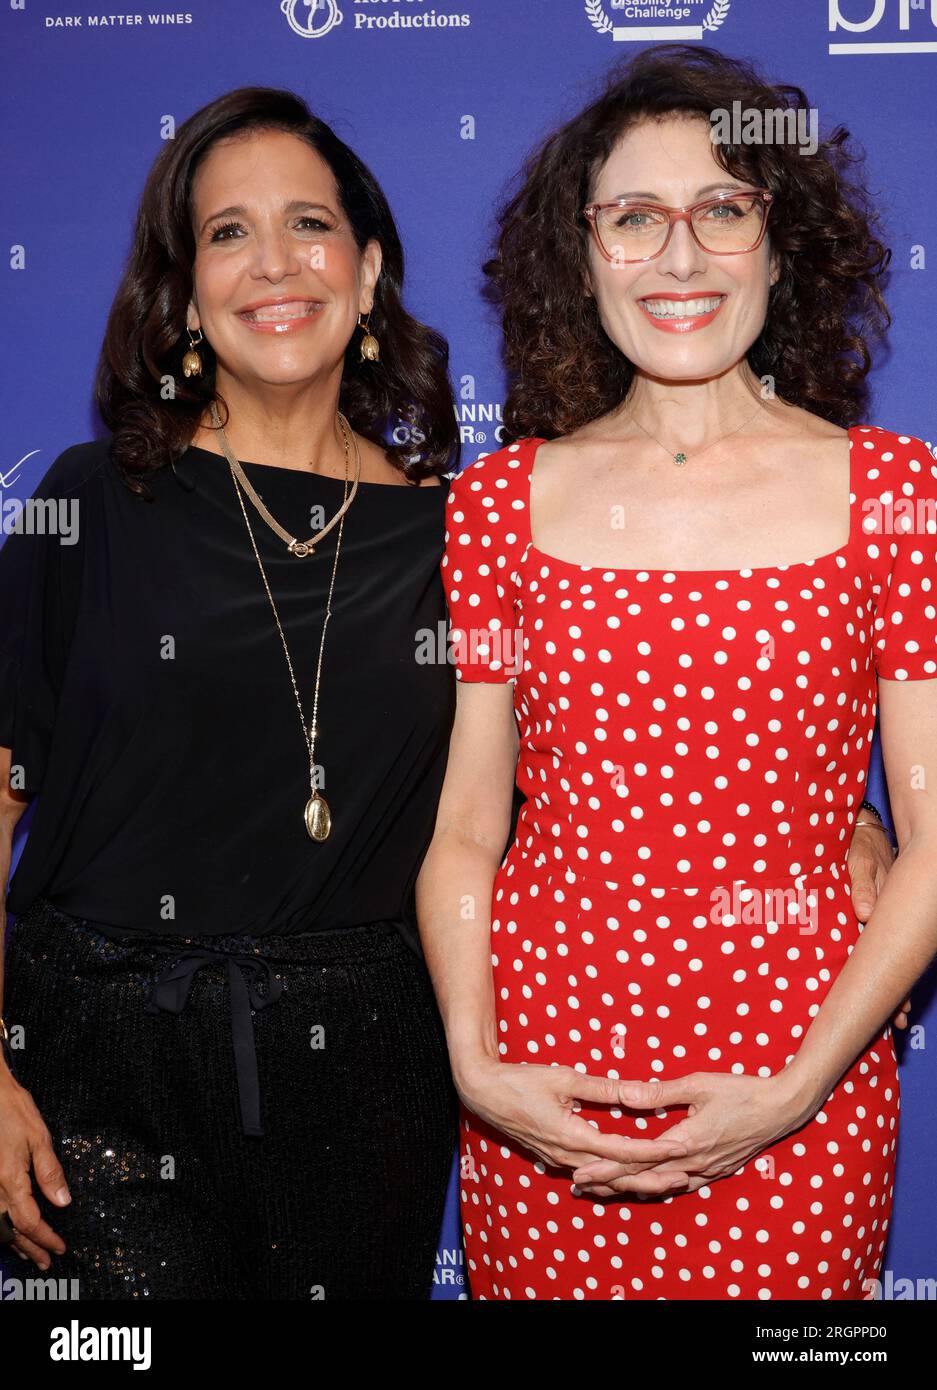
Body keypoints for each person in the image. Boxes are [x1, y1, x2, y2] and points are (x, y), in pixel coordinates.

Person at [417, 45, 929, 1300]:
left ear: (779, 242)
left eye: (722, 210)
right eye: (635, 217)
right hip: (545, 1093)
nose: (680, 257)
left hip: (800, 1088)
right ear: (583, 252)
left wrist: (793, 1090)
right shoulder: (496, 504)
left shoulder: (892, 493)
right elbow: (469, 826)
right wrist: (477, 1067)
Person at [0, 86, 460, 1299]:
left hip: (367, 1077)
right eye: (227, 232)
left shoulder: (457, 535)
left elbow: (601, 748)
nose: (274, 263)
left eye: (309, 224)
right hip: (97, 1068)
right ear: (186, 292)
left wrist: (847, 823)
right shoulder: (89, 502)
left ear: (367, 271)